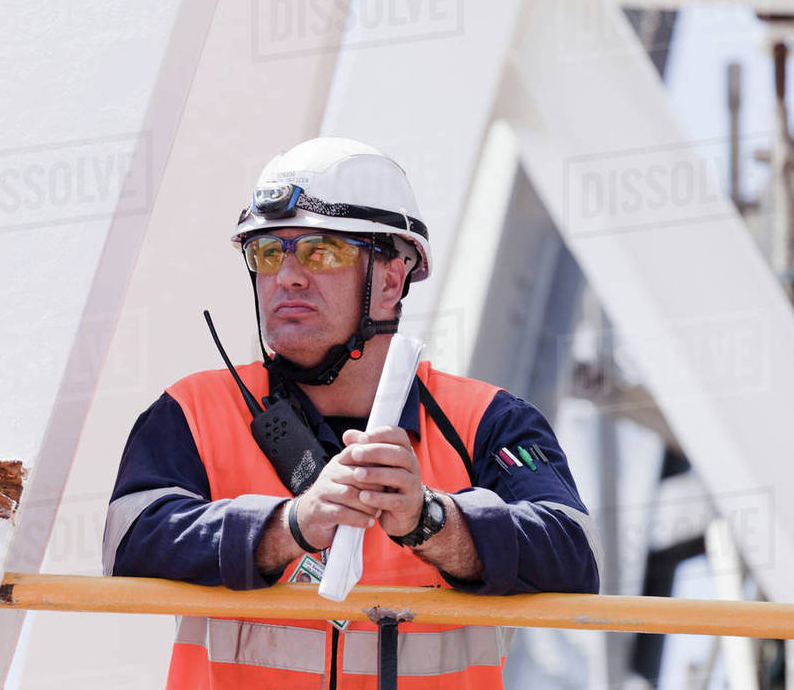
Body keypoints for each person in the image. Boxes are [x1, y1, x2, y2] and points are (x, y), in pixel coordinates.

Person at [103, 137, 601, 688]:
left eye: (321, 250)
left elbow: (575, 554)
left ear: (392, 278)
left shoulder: (488, 422)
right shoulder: (191, 413)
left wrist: (431, 521)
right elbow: (129, 542)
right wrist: (290, 525)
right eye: (267, 253)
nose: (286, 276)